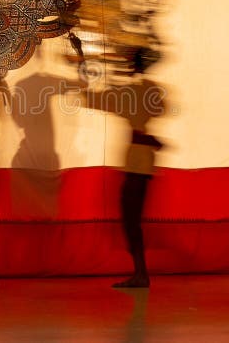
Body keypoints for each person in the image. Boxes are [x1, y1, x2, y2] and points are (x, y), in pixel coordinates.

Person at [85, 48, 165, 288]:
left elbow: (95, 100)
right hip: (143, 161)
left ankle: (141, 273)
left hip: (136, 162)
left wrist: (83, 80)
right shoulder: (151, 89)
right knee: (132, 220)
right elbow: (159, 108)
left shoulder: (131, 91)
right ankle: (140, 272)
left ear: (133, 65)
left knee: (131, 221)